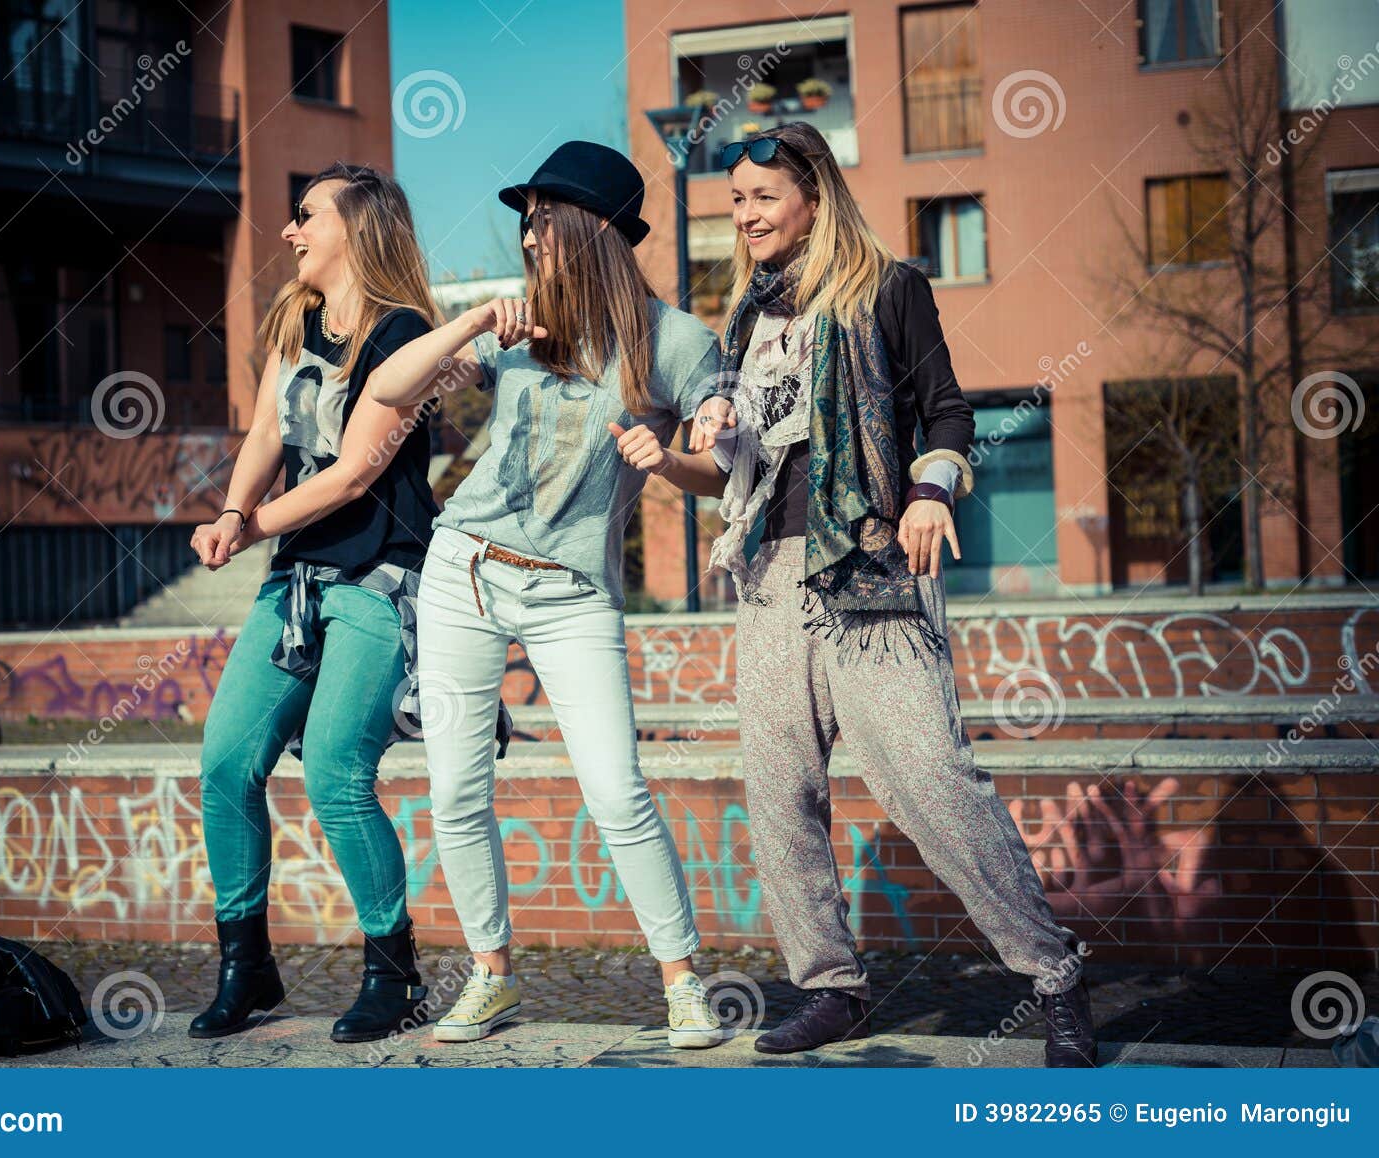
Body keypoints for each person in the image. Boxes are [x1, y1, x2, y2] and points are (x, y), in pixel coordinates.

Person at [621, 123, 1098, 1067]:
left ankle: (1053, 975)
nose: (745, 215)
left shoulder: (888, 287)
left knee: (933, 781)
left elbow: (948, 407)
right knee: (780, 797)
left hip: (872, 576)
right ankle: (830, 989)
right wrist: (669, 462)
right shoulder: (747, 321)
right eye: (736, 202)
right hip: (764, 580)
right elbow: (735, 475)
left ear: (814, 194)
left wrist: (930, 489)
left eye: (762, 197)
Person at [368, 141, 729, 1048]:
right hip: (464, 570)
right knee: (455, 789)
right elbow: (388, 388)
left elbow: (726, 469)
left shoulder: (678, 341)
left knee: (616, 791)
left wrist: (674, 458)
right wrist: (469, 327)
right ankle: (491, 974)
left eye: (542, 224)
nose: (529, 240)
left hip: (572, 595)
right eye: (523, 225)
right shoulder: (519, 328)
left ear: (594, 230)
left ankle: (682, 981)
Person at [188, 163, 489, 1044]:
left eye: (305, 216)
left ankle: (391, 975)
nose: (289, 231)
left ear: (356, 227)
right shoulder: (295, 321)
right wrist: (233, 510)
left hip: (380, 577)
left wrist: (248, 529)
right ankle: (248, 968)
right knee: (223, 763)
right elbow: (265, 433)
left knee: (333, 772)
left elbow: (357, 471)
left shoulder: (404, 335)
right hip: (295, 580)